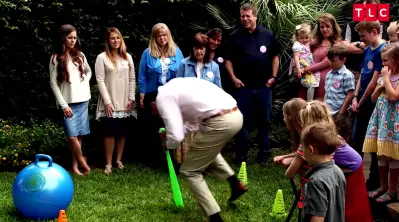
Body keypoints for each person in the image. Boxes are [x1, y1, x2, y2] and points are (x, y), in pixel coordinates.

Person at [151, 77, 248, 222]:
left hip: (219, 122)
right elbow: (192, 124)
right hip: (235, 115)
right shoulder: (176, 87)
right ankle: (236, 184)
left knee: (189, 171)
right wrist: (172, 136)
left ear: (153, 105)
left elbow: (176, 137)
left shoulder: (163, 98)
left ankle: (215, 218)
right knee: (201, 148)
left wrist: (168, 143)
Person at [225, 3, 280, 166]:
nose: (245, 19)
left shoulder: (267, 34)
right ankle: (241, 156)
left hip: (264, 87)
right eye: (242, 16)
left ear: (255, 16)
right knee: (241, 122)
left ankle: (264, 156)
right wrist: (233, 78)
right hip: (243, 88)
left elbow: (275, 56)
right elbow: (228, 59)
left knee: (265, 121)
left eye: (248, 16)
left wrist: (274, 76)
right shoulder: (235, 36)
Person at [137, 23, 184, 165]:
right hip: (153, 95)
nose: (162, 38)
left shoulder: (177, 52)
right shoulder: (148, 53)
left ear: (168, 36)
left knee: (171, 125)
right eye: (159, 36)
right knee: (154, 127)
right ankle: (154, 159)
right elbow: (142, 75)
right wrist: (142, 93)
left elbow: (182, 73)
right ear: (154, 38)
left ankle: (174, 158)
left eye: (164, 35)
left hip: (172, 94)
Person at [49, 24, 91, 176]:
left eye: (74, 37)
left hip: (83, 99)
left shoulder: (80, 55)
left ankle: (75, 167)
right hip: (67, 103)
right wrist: (63, 105)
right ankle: (83, 162)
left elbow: (88, 71)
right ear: (63, 38)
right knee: (71, 136)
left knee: (79, 135)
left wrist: (84, 81)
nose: (73, 40)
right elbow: (53, 83)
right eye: (70, 38)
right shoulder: (55, 58)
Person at [94, 27, 136, 175]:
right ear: (108, 40)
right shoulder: (102, 58)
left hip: (125, 101)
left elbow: (132, 79)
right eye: (112, 38)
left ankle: (118, 160)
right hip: (110, 101)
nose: (116, 41)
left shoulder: (127, 57)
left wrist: (132, 98)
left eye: (118, 38)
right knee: (110, 133)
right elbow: (100, 80)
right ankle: (108, 163)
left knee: (122, 132)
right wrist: (107, 101)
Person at [352, 21, 386, 190]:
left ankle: (374, 181)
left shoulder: (383, 50)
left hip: (372, 104)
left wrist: (362, 100)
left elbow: (373, 82)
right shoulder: (367, 50)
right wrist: (355, 97)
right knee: (356, 140)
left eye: (363, 36)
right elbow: (363, 76)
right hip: (361, 102)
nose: (361, 39)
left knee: (372, 144)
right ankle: (355, 180)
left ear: (374, 32)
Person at [364, 43, 399, 203]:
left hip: (394, 122)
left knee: (393, 156)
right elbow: (373, 98)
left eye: (386, 61)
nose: (383, 64)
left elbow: (393, 97)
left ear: (397, 60)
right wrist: (379, 88)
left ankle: (392, 190)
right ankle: (383, 187)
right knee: (381, 155)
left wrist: (385, 80)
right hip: (381, 119)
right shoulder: (383, 77)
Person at [300, 122, 346, 222]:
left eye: (303, 148)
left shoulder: (316, 181)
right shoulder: (338, 171)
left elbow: (317, 218)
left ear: (311, 150)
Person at [324, 44, 355, 144]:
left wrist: (341, 112)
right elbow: (327, 92)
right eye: (330, 60)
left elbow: (350, 94)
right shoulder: (329, 74)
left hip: (340, 113)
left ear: (343, 60)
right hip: (329, 112)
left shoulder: (347, 75)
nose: (330, 63)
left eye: (333, 61)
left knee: (342, 140)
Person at [289, 23, 320, 101]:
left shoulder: (308, 43)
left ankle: (310, 99)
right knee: (310, 83)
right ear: (297, 37)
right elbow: (296, 58)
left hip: (309, 64)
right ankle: (309, 101)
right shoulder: (297, 45)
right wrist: (298, 69)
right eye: (302, 38)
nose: (304, 40)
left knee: (314, 81)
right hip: (303, 65)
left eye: (307, 37)